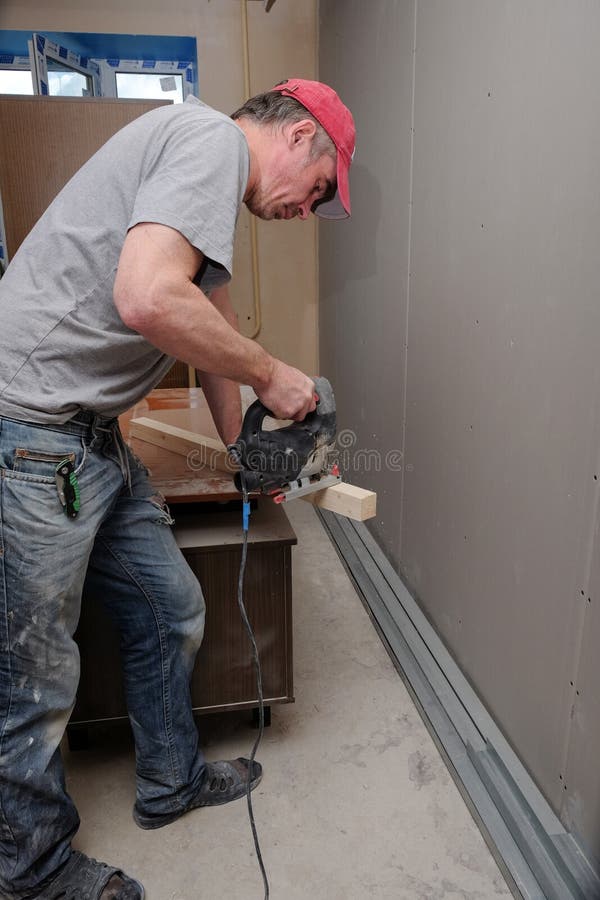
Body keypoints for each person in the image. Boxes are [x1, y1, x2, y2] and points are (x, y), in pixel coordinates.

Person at [0, 78, 355, 899]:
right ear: (299, 135)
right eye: (321, 188)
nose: (309, 209)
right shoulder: (209, 144)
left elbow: (213, 330)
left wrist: (243, 450)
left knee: (170, 607)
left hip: (92, 434)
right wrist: (278, 378)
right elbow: (147, 297)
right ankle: (34, 873)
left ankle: (170, 781)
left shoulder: (206, 188)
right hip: (33, 435)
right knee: (33, 678)